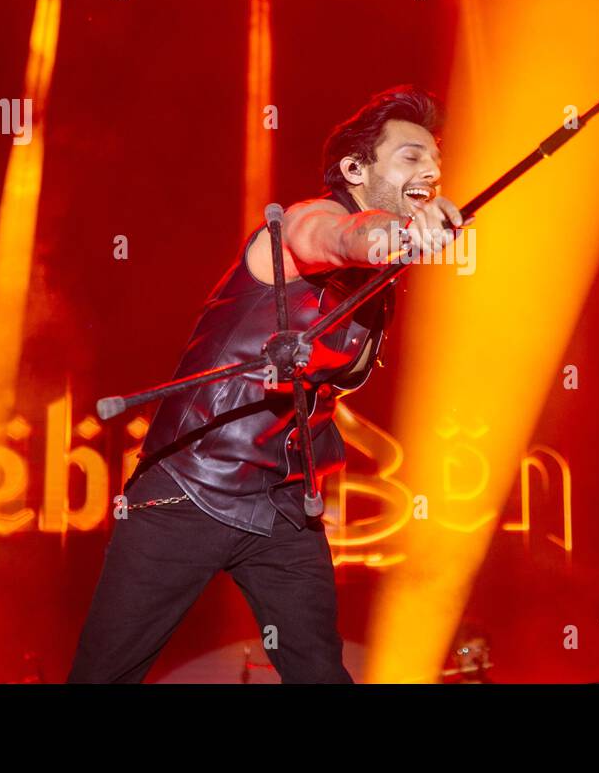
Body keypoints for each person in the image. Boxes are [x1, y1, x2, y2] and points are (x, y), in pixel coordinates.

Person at [68, 85, 463, 683]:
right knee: (104, 677)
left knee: (320, 676)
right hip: (188, 489)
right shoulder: (305, 225)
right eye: (410, 156)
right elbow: (346, 236)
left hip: (283, 505)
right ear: (355, 169)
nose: (431, 169)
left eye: (435, 160)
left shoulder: (376, 287)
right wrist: (395, 234)